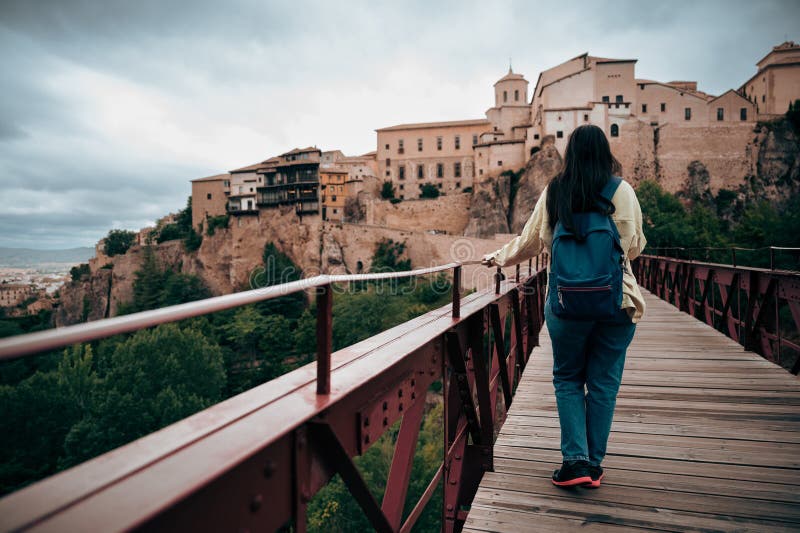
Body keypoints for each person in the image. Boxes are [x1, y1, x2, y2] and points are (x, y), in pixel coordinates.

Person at [482, 125, 647, 488]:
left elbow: (533, 241)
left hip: (565, 303)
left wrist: (497, 259)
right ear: (606, 152)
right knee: (603, 383)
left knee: (568, 378)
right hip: (616, 302)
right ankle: (595, 463)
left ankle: (575, 462)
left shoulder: (556, 191)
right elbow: (634, 246)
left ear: (570, 153)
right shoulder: (623, 191)